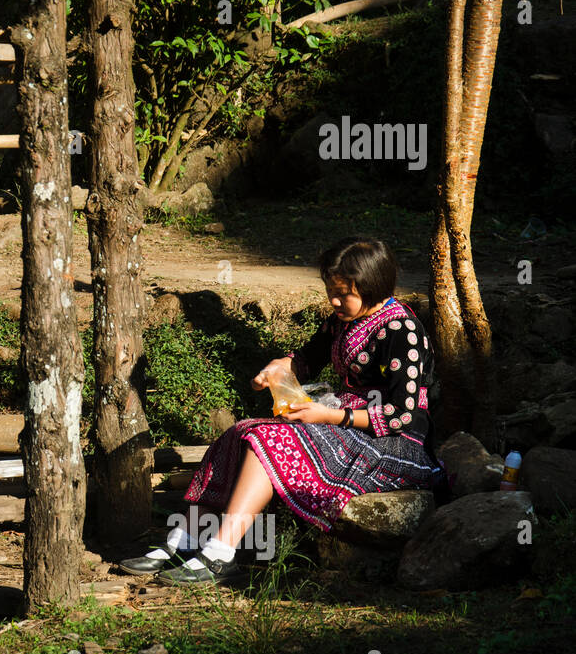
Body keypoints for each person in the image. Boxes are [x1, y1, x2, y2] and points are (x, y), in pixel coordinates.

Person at [120, 236, 442, 584]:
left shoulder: (402, 330)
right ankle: (186, 541)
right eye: (330, 291)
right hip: (348, 425)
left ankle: (220, 553)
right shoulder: (341, 320)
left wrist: (329, 416)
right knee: (239, 432)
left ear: (372, 286)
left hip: (393, 445)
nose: (333, 300)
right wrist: (278, 370)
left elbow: (401, 415)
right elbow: (306, 360)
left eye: (343, 294)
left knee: (271, 440)